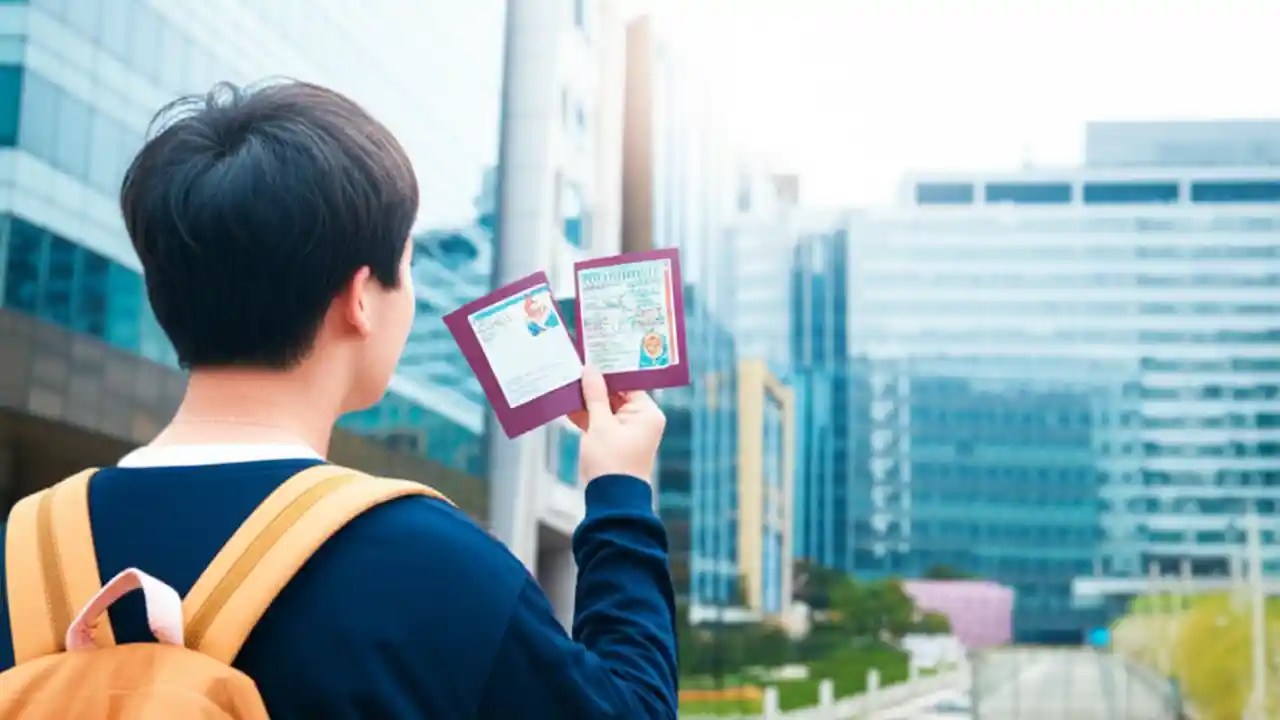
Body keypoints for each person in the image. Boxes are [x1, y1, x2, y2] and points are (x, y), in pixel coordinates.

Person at [0, 81, 677, 719]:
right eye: (406, 270)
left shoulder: (17, 550)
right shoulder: (435, 567)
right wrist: (618, 495)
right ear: (359, 298)